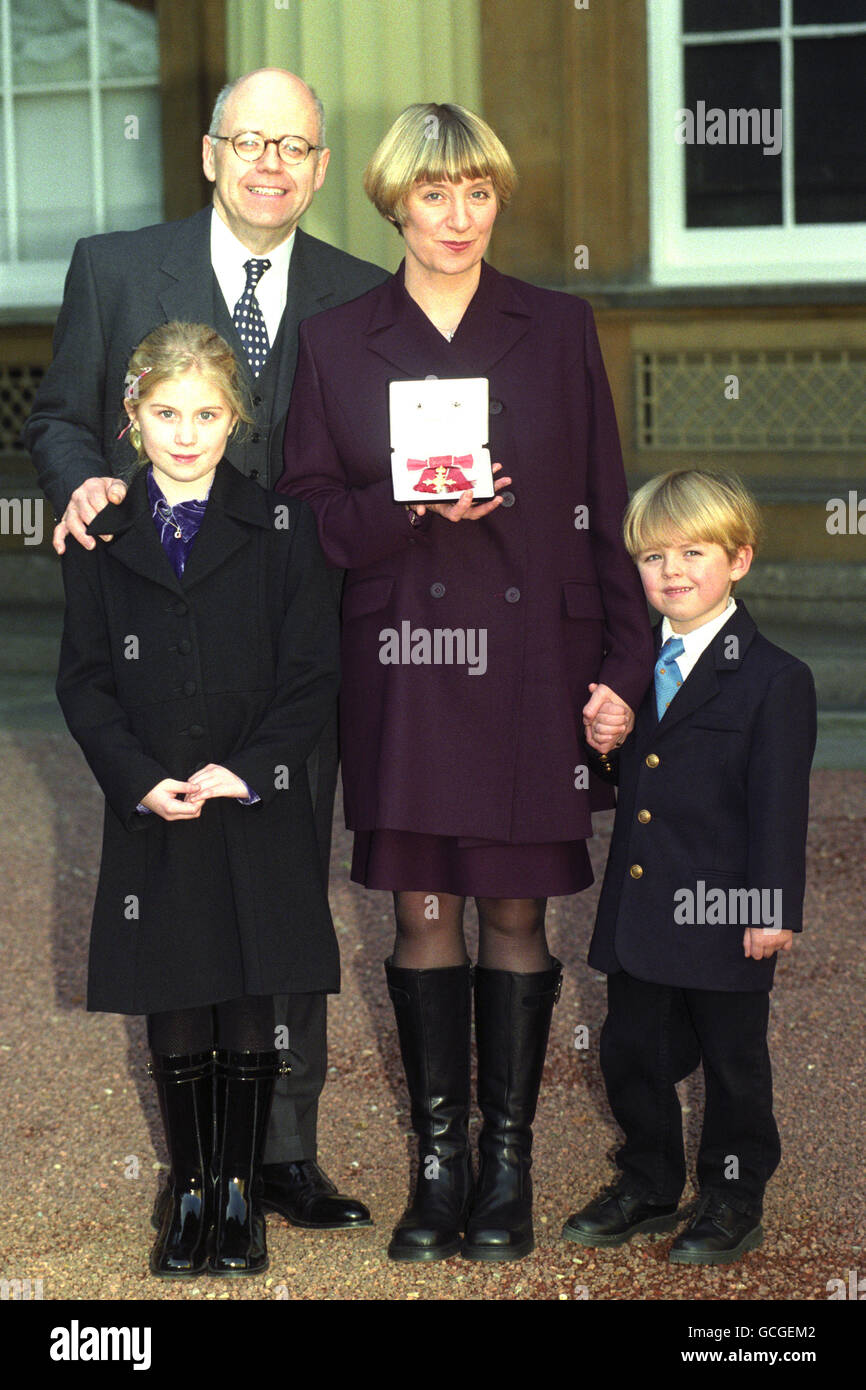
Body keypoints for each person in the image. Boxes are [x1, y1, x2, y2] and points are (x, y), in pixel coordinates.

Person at [277, 103, 655, 1263]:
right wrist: (410, 510)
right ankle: (435, 1173)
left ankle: (506, 1167)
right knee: (423, 907)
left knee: (513, 910)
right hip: (402, 663)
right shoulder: (337, 338)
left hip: (534, 664)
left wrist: (624, 667)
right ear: (392, 203)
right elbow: (305, 509)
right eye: (433, 195)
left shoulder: (554, 325)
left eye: (477, 193)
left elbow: (606, 504)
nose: (457, 216)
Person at [22, 67, 389, 1231]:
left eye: (296, 147)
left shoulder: (358, 292)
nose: (271, 162)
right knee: (176, 892)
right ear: (209, 151)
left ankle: (281, 1147)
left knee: (285, 886)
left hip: (293, 649)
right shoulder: (114, 268)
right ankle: (197, 1164)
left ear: (321, 170)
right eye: (250, 140)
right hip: (161, 633)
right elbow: (63, 415)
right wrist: (79, 475)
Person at [55, 322, 342, 1276]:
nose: (187, 433)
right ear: (132, 420)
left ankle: (240, 1192)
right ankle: (189, 1184)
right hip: (155, 800)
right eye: (166, 414)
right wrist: (137, 778)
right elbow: (85, 681)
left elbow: (312, 673)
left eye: (207, 414)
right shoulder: (101, 533)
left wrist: (250, 767)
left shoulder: (282, 527)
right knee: (176, 984)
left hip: (251, 798)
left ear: (237, 420)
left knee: (255, 983)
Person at [564, 469, 817, 1265]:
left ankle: (734, 1192)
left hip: (726, 911)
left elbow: (779, 805)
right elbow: (640, 784)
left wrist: (772, 907)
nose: (672, 571)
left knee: (733, 1064)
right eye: (653, 557)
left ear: (739, 560)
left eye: (693, 552)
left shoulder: (776, 678)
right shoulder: (635, 668)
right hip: (643, 910)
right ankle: (647, 1179)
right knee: (630, 1051)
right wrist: (606, 749)